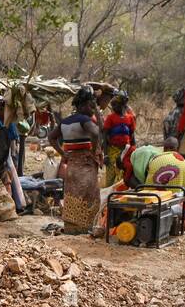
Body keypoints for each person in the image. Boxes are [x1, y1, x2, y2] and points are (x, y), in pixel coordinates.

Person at [47, 87, 102, 235]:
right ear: (83, 105)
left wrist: (63, 152)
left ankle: (72, 228)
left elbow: (51, 137)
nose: (93, 108)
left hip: (71, 166)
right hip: (85, 165)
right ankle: (86, 227)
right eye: (92, 104)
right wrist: (93, 150)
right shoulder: (84, 120)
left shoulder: (65, 122)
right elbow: (96, 133)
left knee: (72, 196)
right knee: (89, 195)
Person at [101, 93, 136, 187]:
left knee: (123, 175)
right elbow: (105, 135)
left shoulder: (130, 118)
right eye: (112, 106)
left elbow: (132, 136)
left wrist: (134, 151)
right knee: (111, 176)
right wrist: (106, 155)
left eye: (115, 105)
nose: (113, 108)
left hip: (125, 151)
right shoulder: (110, 118)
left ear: (122, 105)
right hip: (112, 149)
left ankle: (119, 197)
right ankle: (108, 197)